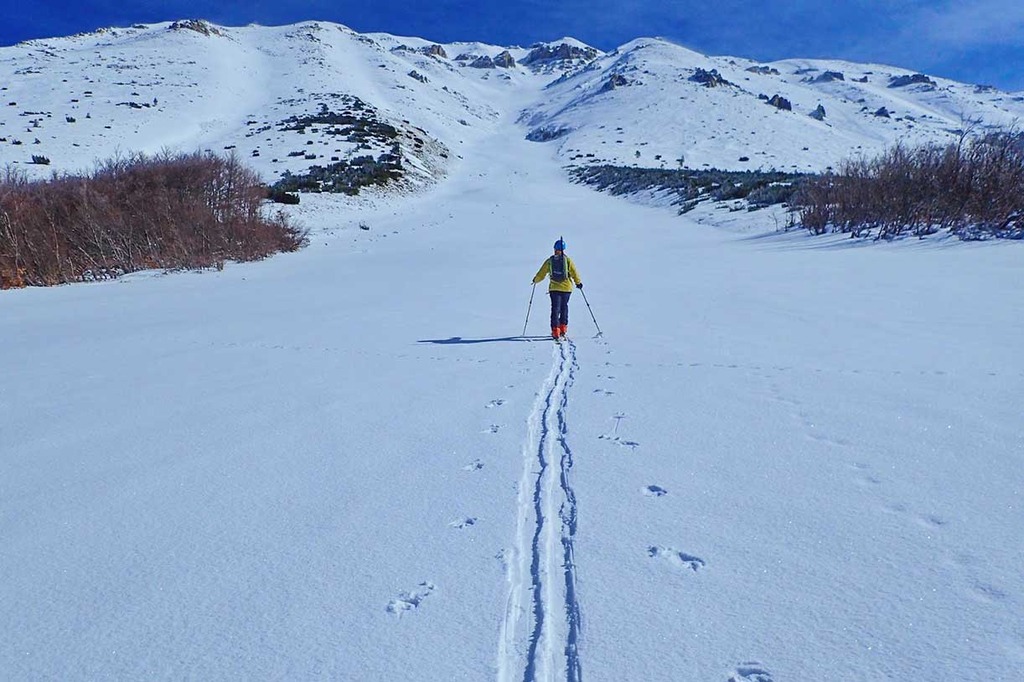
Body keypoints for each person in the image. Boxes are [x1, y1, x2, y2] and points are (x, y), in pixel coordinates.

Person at [532, 239, 583, 339]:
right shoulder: (568, 260)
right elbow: (574, 272)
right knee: (564, 307)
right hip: (567, 288)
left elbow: (542, 273)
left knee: (555, 308)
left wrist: (535, 280)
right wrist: (578, 283)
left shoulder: (550, 261)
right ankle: (563, 328)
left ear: (555, 249)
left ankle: (555, 330)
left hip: (554, 288)